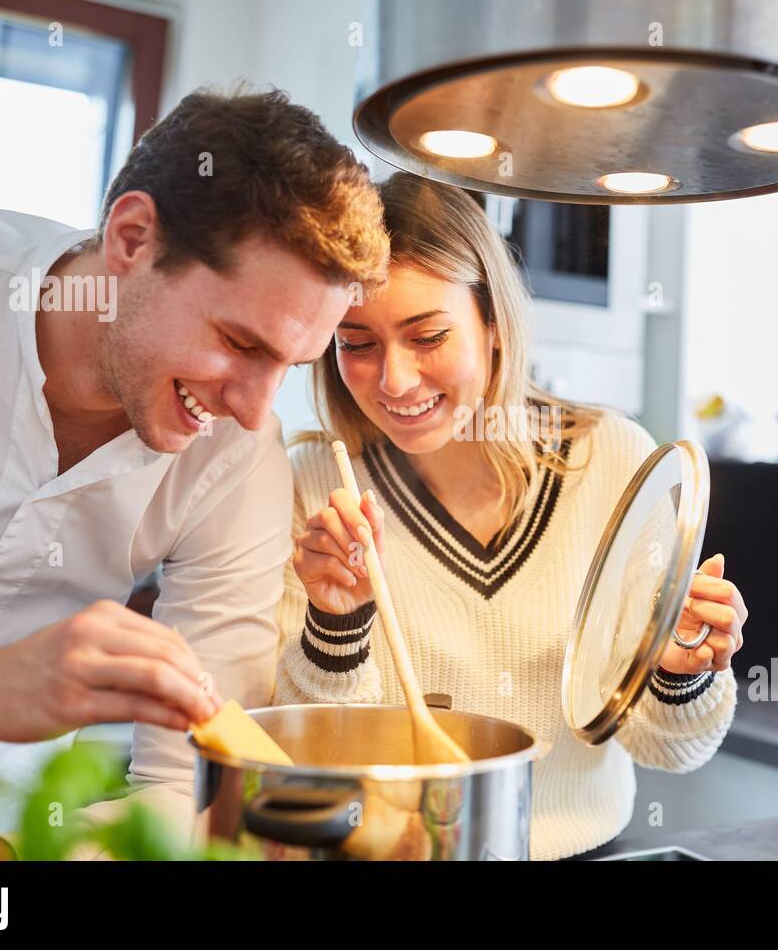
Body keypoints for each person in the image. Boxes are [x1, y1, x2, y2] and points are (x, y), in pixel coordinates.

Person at [0, 86, 389, 858]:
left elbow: (186, 784)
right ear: (133, 238)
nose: (252, 408)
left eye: (291, 365)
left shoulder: (240, 463)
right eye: (241, 343)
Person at [275, 175, 746, 860]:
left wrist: (675, 670)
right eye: (358, 343)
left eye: (427, 336)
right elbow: (314, 754)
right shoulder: (319, 482)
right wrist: (337, 623)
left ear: (493, 326)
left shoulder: (611, 459)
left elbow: (670, 750)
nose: (395, 381)